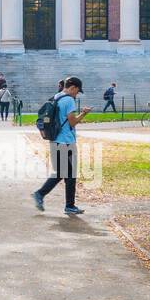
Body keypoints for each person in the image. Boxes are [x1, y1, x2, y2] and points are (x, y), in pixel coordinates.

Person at [32, 76, 90, 215]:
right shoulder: (69, 100)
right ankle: (47, 197)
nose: (77, 94)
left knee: (63, 173)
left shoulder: (56, 97)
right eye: (77, 91)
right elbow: (72, 122)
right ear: (72, 88)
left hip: (55, 140)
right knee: (68, 174)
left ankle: (61, 202)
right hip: (66, 141)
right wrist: (84, 113)